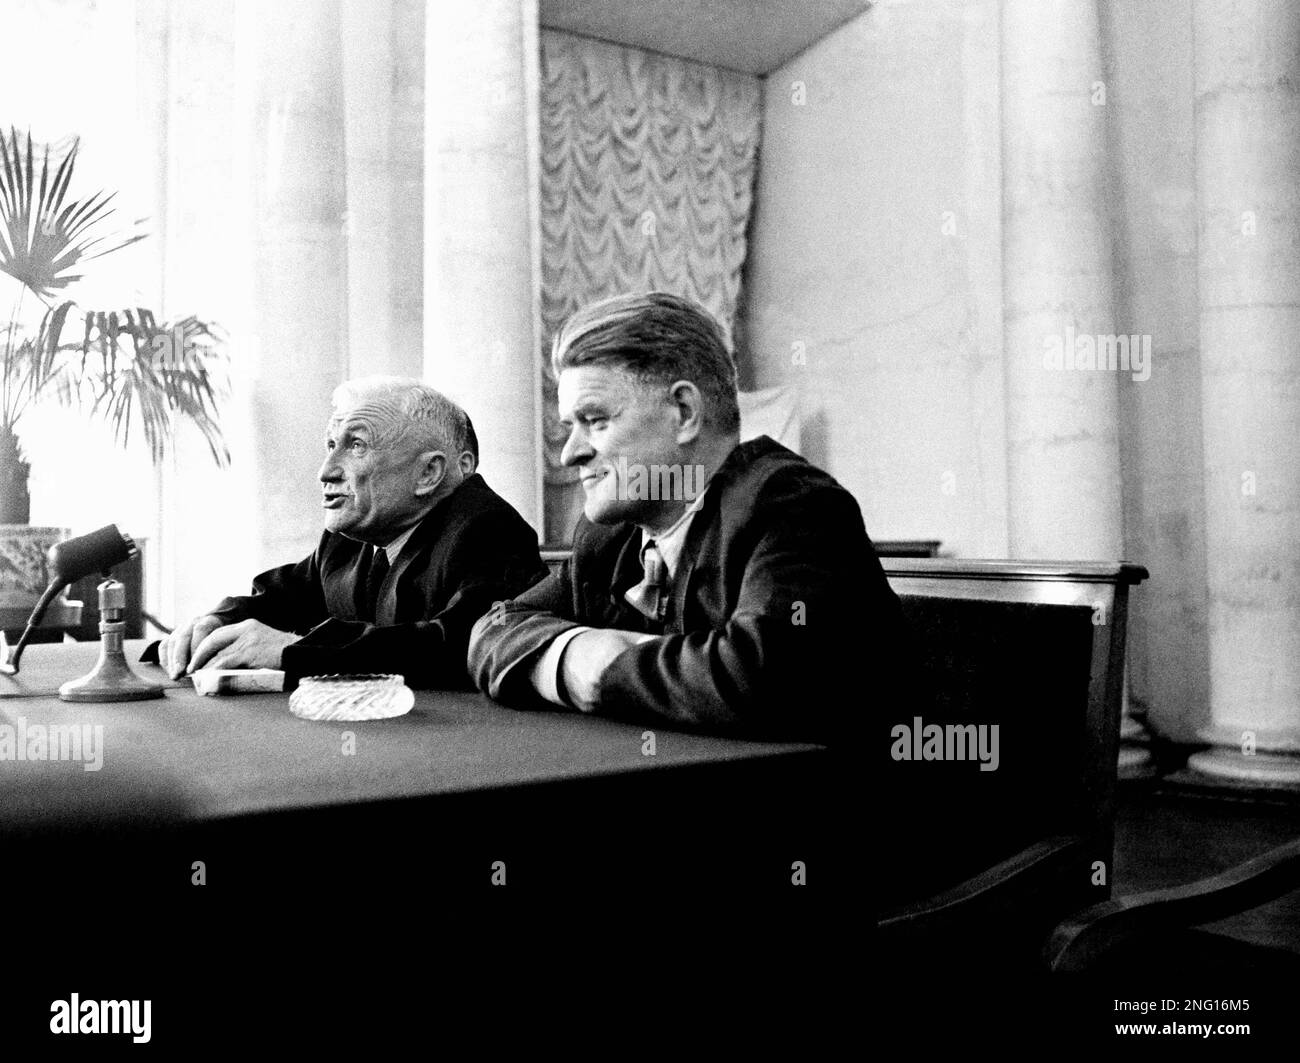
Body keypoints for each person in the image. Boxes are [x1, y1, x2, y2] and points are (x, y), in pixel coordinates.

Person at [467, 292, 909, 743]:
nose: (569, 453)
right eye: (570, 427)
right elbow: (494, 627)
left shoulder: (794, 506)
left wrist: (601, 668)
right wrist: (576, 653)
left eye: (595, 420)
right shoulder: (610, 535)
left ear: (684, 413)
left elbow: (753, 680)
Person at [155, 376, 547, 689]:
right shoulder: (352, 535)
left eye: (355, 445)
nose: (326, 471)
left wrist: (295, 650)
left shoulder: (488, 529)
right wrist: (218, 620)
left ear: (428, 473)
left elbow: (454, 645)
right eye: (330, 444)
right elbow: (280, 598)